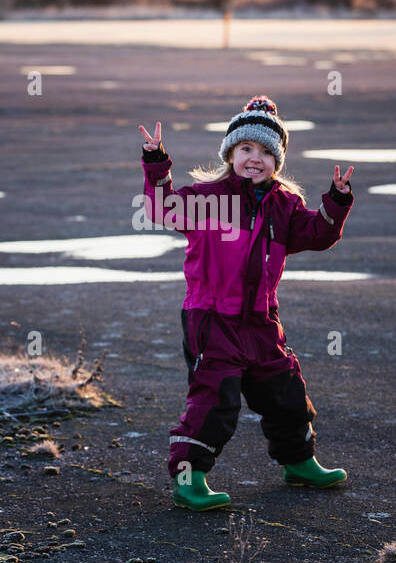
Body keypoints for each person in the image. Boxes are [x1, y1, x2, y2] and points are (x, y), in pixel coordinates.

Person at [138, 95, 355, 511]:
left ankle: (300, 462)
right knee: (214, 398)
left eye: (266, 153)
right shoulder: (208, 198)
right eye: (246, 150)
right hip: (212, 317)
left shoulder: (285, 206)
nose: (255, 159)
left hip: (260, 319)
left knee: (285, 390)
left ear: (278, 161)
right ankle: (190, 479)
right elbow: (162, 207)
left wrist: (337, 202)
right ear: (231, 153)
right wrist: (156, 164)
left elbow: (319, 234)